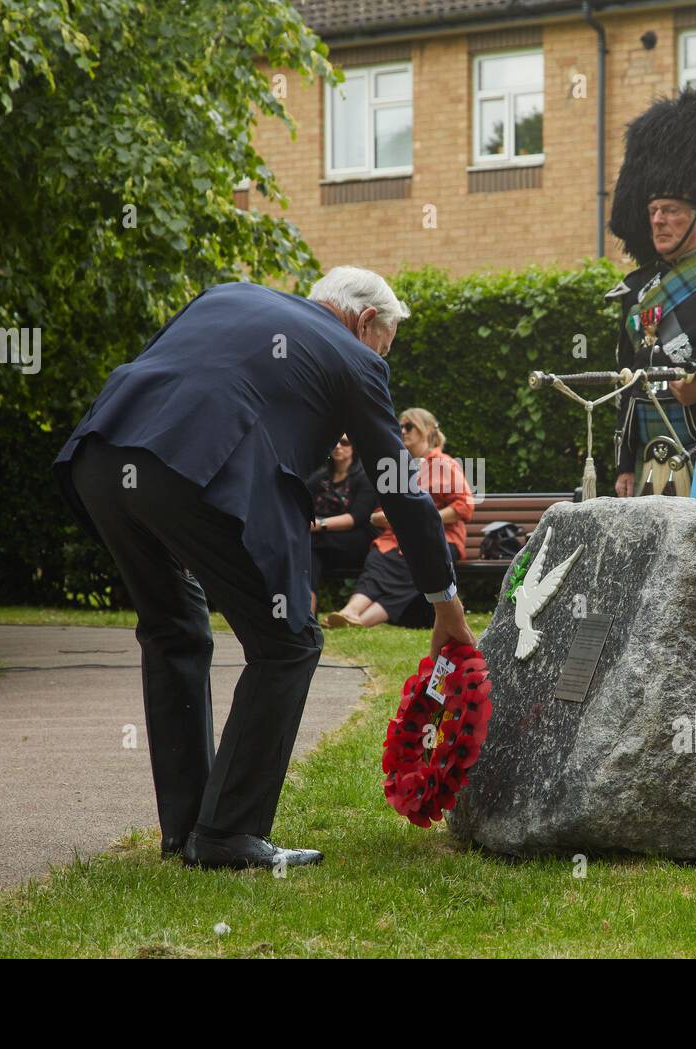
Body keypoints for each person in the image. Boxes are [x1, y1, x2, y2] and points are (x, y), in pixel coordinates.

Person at [53, 266, 475, 871]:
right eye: (386, 345)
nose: (384, 360)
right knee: (288, 644)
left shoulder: (228, 294)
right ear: (363, 323)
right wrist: (446, 602)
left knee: (175, 629)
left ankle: (189, 831)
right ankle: (226, 833)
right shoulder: (355, 359)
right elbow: (399, 486)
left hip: (101, 453)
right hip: (189, 470)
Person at [606, 88, 696, 498]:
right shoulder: (635, 289)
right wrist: (625, 464)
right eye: (653, 212)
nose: (659, 222)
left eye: (672, 211)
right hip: (648, 457)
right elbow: (628, 381)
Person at [325, 408, 474, 629]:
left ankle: (359, 621)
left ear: (426, 431)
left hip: (438, 538)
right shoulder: (398, 467)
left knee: (412, 563)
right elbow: (377, 513)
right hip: (396, 539)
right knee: (378, 559)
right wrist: (381, 518)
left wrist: (423, 520)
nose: (402, 431)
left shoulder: (444, 464)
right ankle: (351, 611)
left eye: (409, 426)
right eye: (400, 427)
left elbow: (464, 506)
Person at [307, 434, 378, 613]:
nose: (338, 446)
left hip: (355, 539)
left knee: (305, 543)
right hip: (320, 540)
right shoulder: (320, 477)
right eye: (334, 441)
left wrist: (320, 524)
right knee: (307, 552)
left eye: (345, 442)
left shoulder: (365, 477)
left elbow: (356, 518)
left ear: (354, 446)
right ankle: (307, 608)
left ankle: (306, 610)